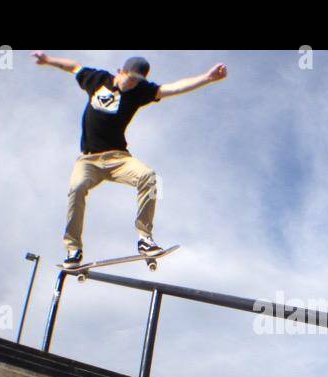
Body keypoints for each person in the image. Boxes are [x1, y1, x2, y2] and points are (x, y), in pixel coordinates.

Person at [32, 51, 227, 268]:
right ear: (120, 72)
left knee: (149, 177)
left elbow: (173, 88)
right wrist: (48, 60)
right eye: (130, 78)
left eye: (137, 81)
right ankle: (73, 248)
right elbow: (73, 67)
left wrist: (207, 78)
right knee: (77, 188)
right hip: (88, 160)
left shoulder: (141, 92)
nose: (132, 83)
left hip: (118, 158)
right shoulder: (97, 79)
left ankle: (145, 238)